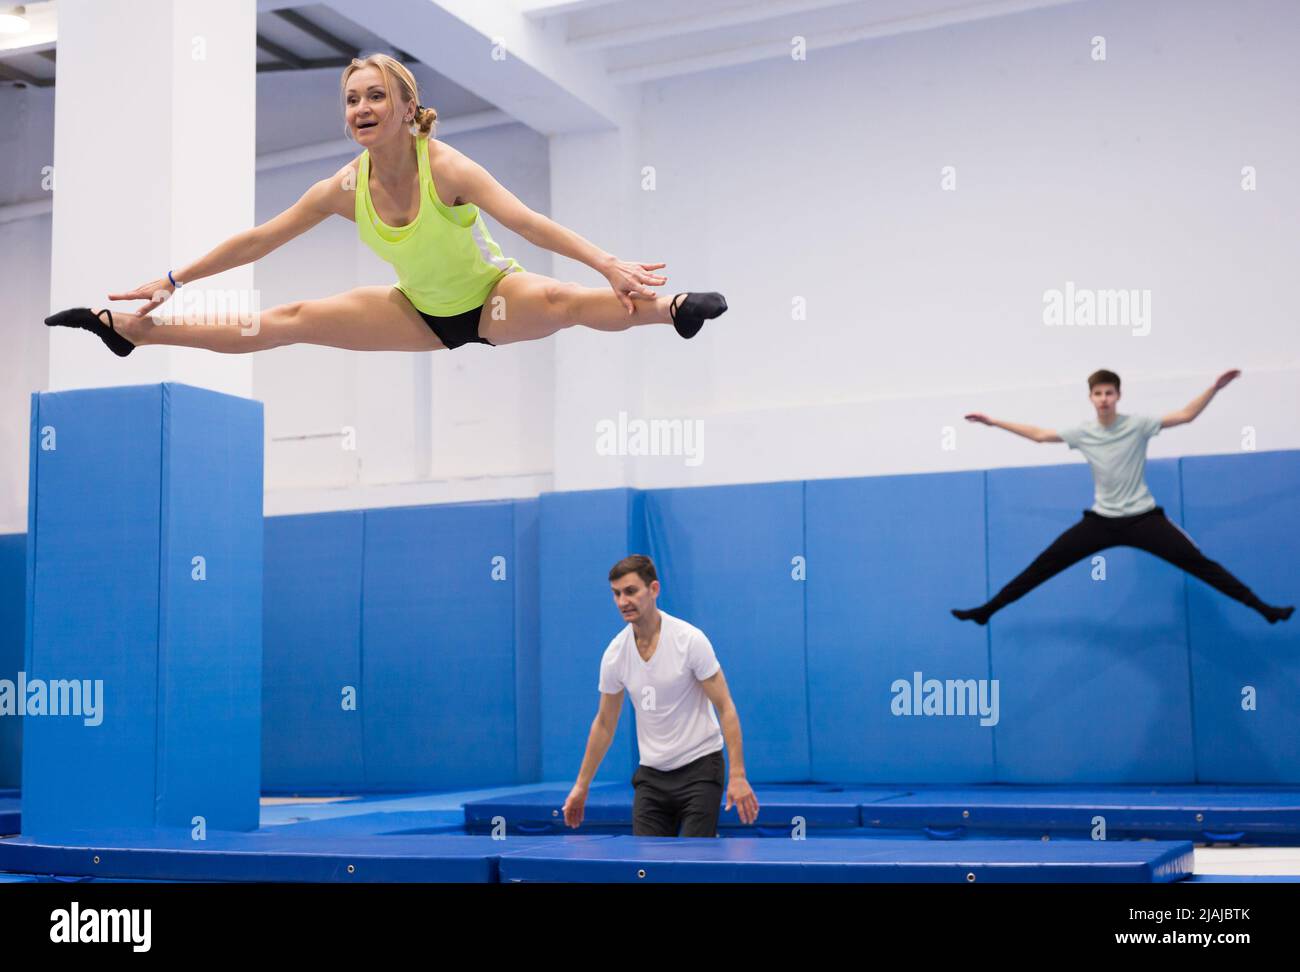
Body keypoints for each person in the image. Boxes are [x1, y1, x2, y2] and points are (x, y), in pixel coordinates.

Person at [45, 53, 727, 356]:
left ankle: (674, 310)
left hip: (493, 297)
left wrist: (609, 263)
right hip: (418, 313)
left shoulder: (447, 167)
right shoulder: (343, 189)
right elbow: (259, 240)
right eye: (351, 99)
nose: (362, 108)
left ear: (406, 107)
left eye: (375, 96)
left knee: (564, 302)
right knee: (292, 317)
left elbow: (526, 221)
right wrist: (170, 281)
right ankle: (131, 332)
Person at [953, 369, 1293, 625]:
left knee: (1199, 564)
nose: (1104, 398)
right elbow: (1040, 435)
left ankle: (1263, 609)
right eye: (1098, 393)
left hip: (1143, 518)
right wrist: (994, 422)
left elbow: (1185, 416)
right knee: (1046, 563)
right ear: (1090, 398)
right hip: (1101, 521)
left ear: (1118, 396)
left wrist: (1214, 389)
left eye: (1109, 393)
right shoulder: (1082, 432)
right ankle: (987, 610)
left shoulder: (1138, 425)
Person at [563, 555, 759, 837]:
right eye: (616, 594)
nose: (622, 601)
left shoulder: (689, 640)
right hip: (652, 778)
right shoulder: (615, 655)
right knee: (646, 868)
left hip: (700, 768)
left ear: (653, 589)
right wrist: (581, 786)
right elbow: (604, 724)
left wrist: (738, 775)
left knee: (694, 861)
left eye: (630, 591)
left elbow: (725, 707)